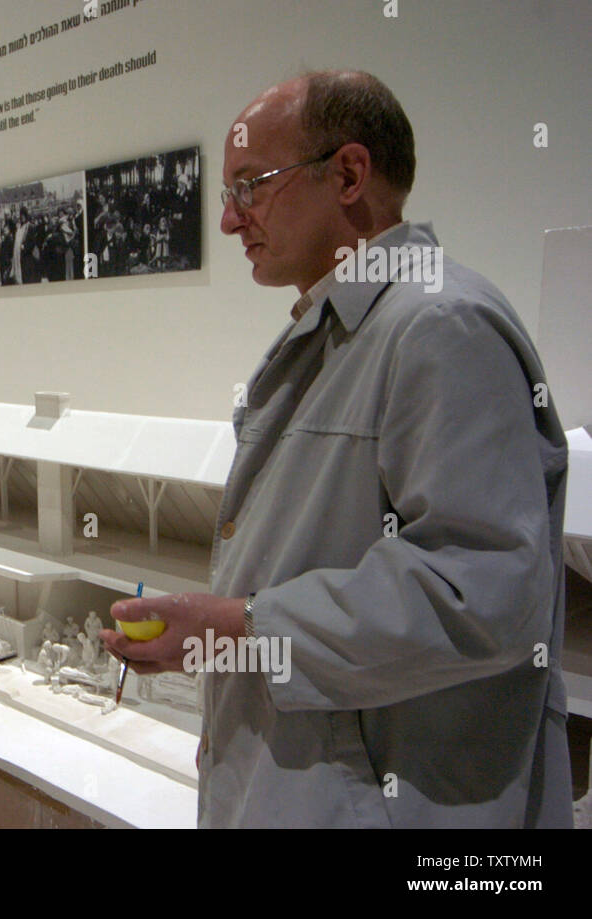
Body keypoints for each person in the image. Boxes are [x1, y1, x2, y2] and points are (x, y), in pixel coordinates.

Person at [100, 70, 572, 827]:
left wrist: (236, 626)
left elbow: (483, 592)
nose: (229, 220)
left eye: (251, 186)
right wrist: (223, 640)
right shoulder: (340, 334)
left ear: (349, 174)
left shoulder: (441, 328)